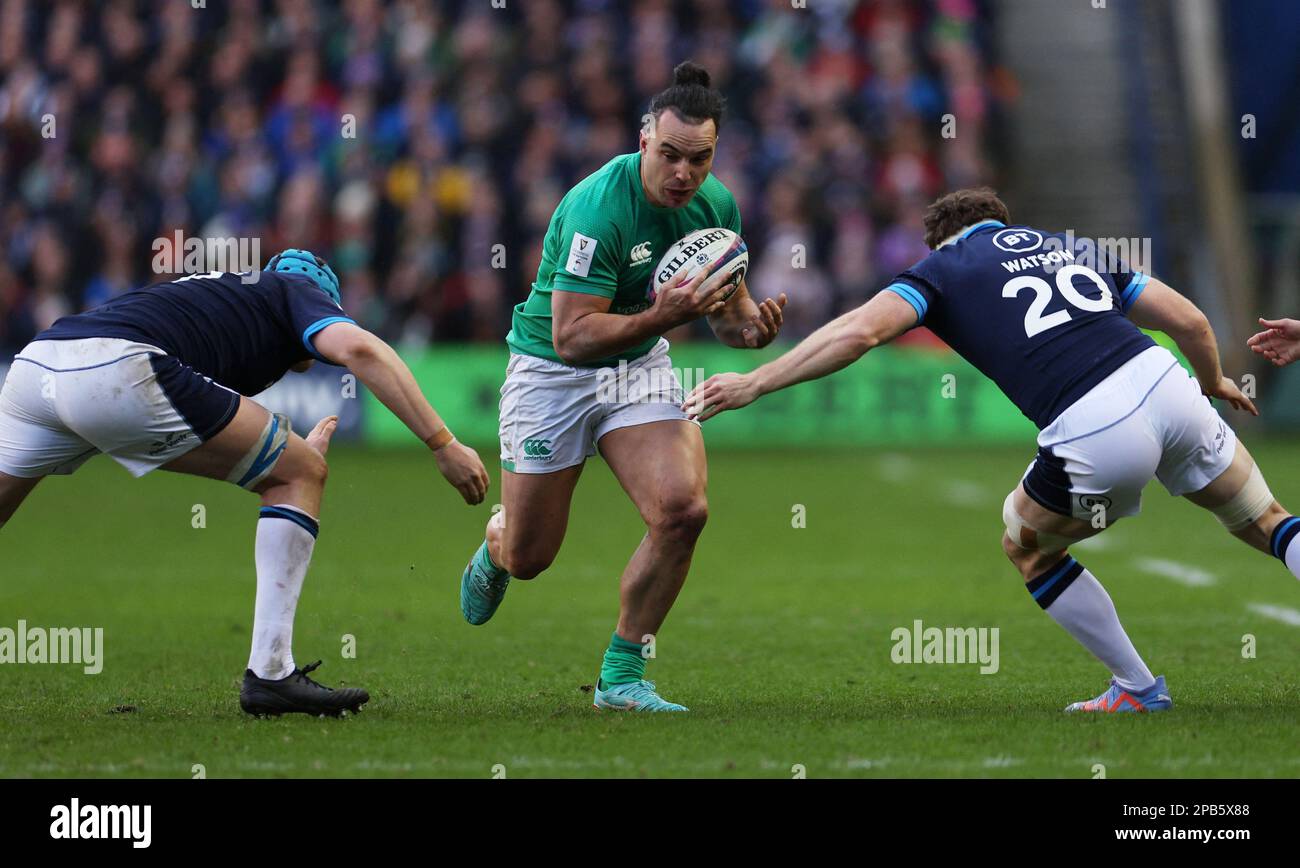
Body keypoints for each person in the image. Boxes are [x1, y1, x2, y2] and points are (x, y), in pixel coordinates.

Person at [686, 188, 1300, 713]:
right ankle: (1140, 681)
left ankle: (1136, 688)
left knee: (1027, 548)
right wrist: (1212, 379)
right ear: (1001, 222)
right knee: (1267, 521)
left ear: (940, 241)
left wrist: (755, 381)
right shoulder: (1070, 245)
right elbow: (1188, 319)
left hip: (1094, 420)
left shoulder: (946, 268)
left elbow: (860, 331)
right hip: (1164, 378)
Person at [0, 250, 489, 716]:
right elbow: (361, 348)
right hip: (114, 367)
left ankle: (272, 673)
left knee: (293, 466)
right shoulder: (294, 289)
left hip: (37, 363)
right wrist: (442, 443)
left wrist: (287, 457)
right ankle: (272, 672)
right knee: (300, 473)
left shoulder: (232, 291)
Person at [457, 62, 787, 712]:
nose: (684, 174)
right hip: (551, 375)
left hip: (638, 368)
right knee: (531, 557)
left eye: (699, 158)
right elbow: (571, 337)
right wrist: (663, 316)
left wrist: (753, 330)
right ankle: (498, 546)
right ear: (644, 141)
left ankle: (622, 676)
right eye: (670, 155)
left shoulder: (716, 205)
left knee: (682, 511)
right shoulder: (597, 209)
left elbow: (728, 315)